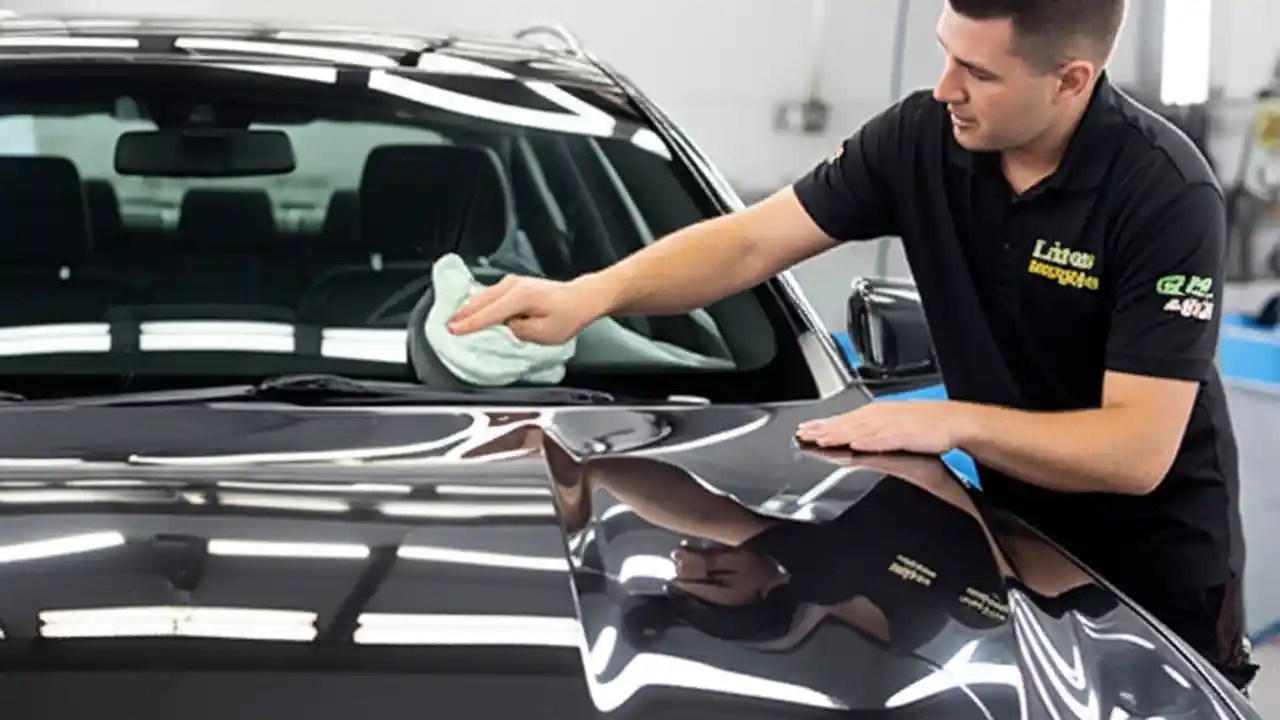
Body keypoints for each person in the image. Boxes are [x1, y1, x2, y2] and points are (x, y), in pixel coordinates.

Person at [449, 0, 1256, 690]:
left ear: (1070, 80)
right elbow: (748, 245)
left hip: (1152, 581)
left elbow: (1136, 449)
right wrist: (589, 296)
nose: (947, 88)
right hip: (1002, 541)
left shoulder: (1162, 194)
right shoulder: (921, 140)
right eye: (946, 55)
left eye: (979, 72)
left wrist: (951, 422)